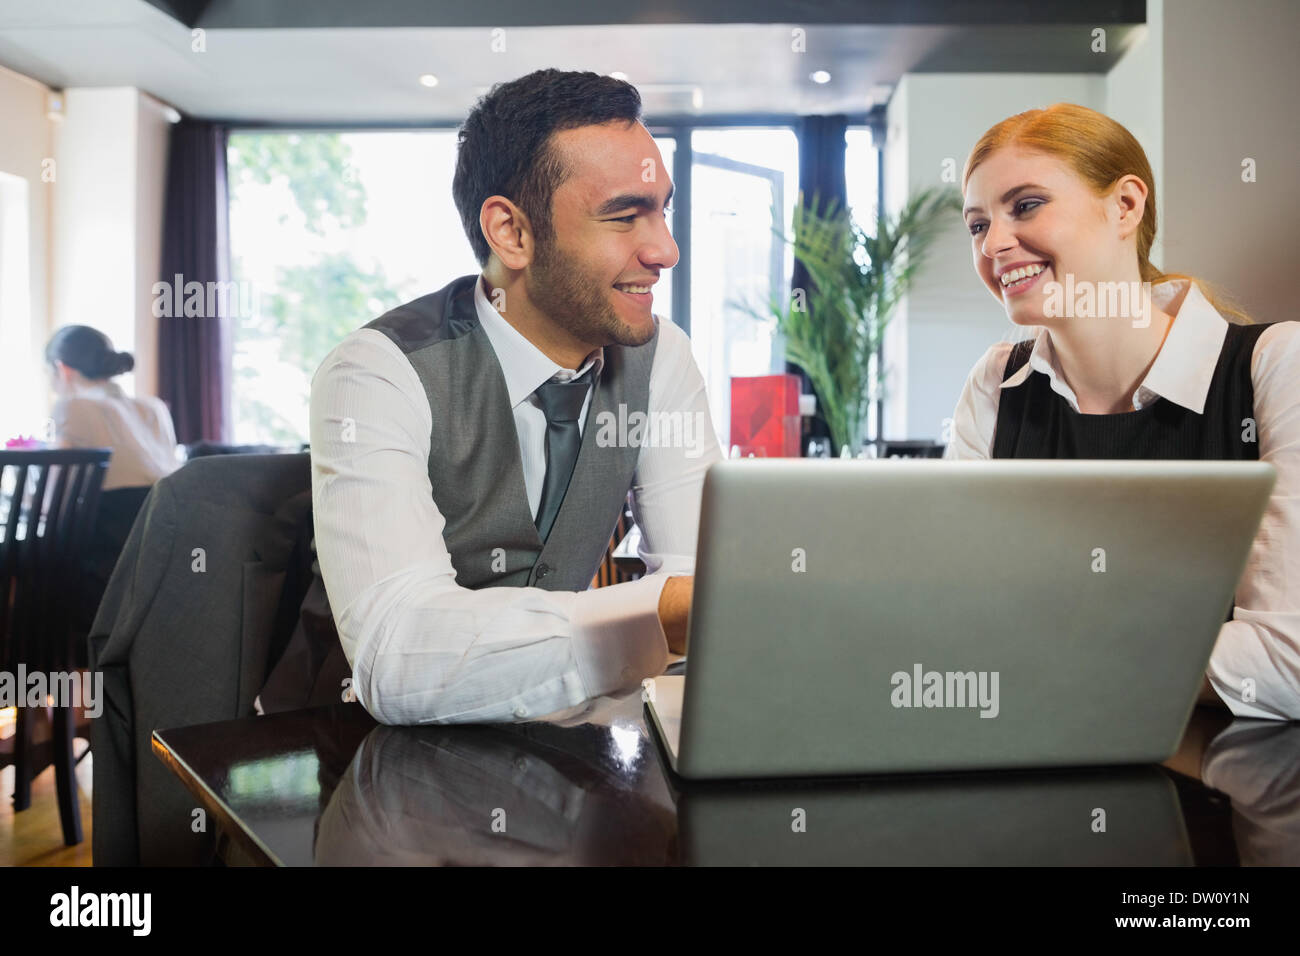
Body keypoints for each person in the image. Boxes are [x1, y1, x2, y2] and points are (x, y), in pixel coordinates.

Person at [310, 69, 722, 725]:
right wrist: (659, 612)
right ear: (512, 233)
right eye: (624, 216)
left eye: (663, 210)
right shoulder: (379, 370)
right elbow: (397, 653)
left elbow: (703, 592)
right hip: (353, 753)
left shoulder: (657, 355)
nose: (665, 249)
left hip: (552, 749)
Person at [946, 103, 1300, 720]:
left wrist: (1034, 652)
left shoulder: (1274, 365)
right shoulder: (996, 384)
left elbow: (1284, 661)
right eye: (978, 225)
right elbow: (948, 619)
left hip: (1225, 790)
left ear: (1126, 206)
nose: (995, 243)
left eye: (1025, 206)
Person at [45, 324, 180, 643]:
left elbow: (55, 501)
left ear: (61, 369)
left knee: (34, 567)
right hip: (166, 547)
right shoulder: (154, 407)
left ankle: (50, 667)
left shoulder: (72, 406)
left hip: (106, 551)